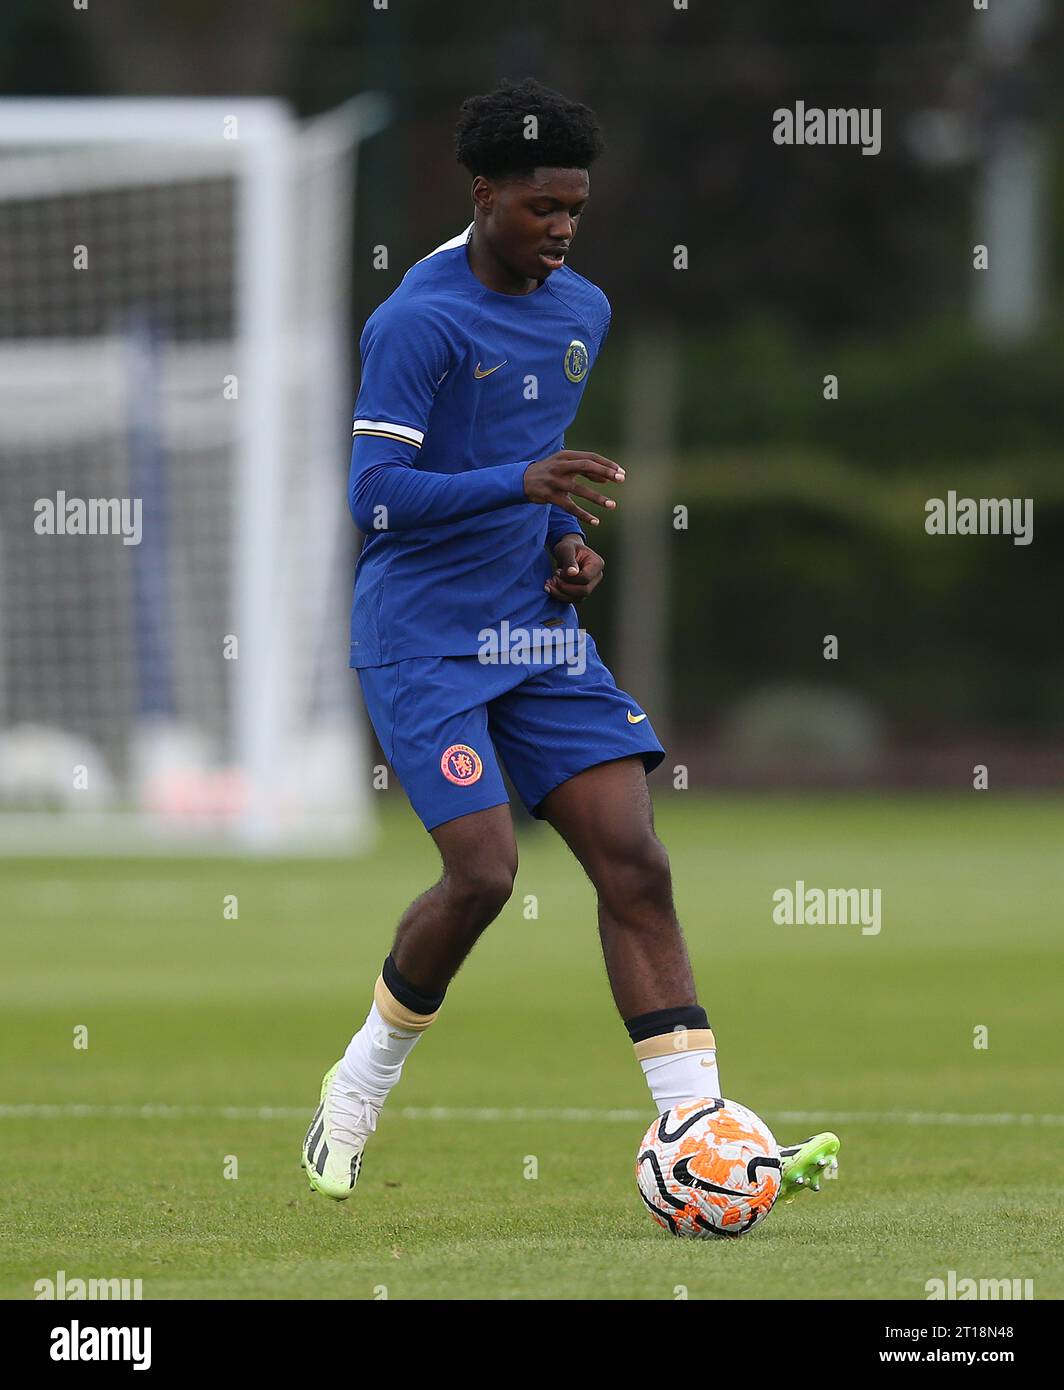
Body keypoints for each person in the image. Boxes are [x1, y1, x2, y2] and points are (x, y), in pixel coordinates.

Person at [302, 77, 839, 1204]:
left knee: (634, 859)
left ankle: (696, 1129)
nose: (558, 230)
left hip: (534, 632)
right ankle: (358, 1081)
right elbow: (375, 495)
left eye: (574, 211)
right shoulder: (416, 320)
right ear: (483, 192)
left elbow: (535, 451)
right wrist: (519, 484)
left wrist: (559, 540)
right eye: (539, 208)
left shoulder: (580, 311)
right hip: (424, 639)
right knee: (485, 872)